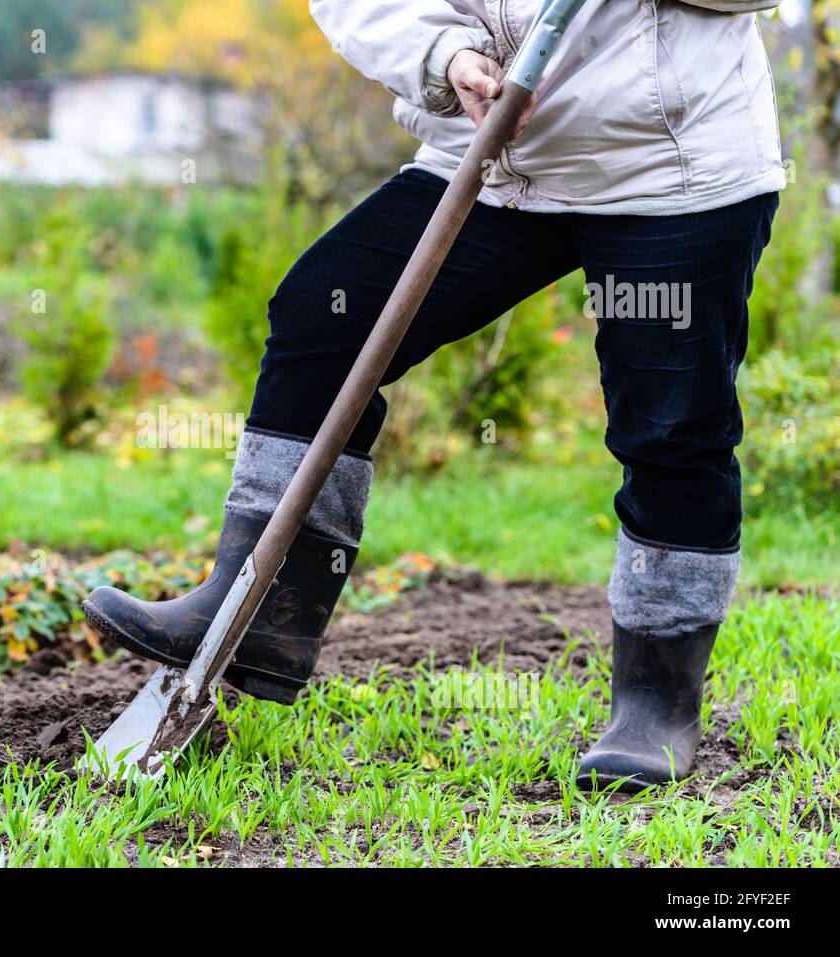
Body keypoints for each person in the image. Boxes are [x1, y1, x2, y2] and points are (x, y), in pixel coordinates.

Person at [84, 0, 785, 792]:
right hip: (493, 155)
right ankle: (260, 606)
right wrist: (444, 56)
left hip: (667, 170)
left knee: (669, 421)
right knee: (328, 312)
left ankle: (656, 702)